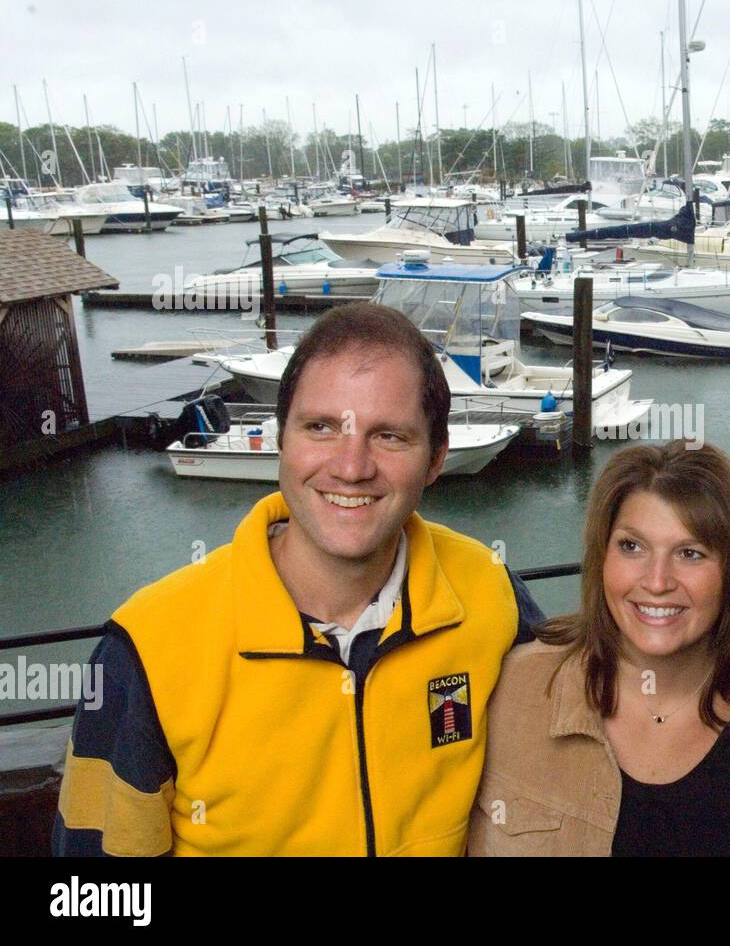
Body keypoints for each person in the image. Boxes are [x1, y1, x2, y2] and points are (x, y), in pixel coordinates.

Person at [53, 303, 542, 856]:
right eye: (321, 427)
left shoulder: (491, 592)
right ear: (279, 439)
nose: (351, 466)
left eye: (389, 436)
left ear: (435, 460)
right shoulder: (148, 649)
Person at [467, 441, 730, 856]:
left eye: (690, 553)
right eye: (632, 546)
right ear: (601, 556)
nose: (656, 580)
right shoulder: (508, 690)